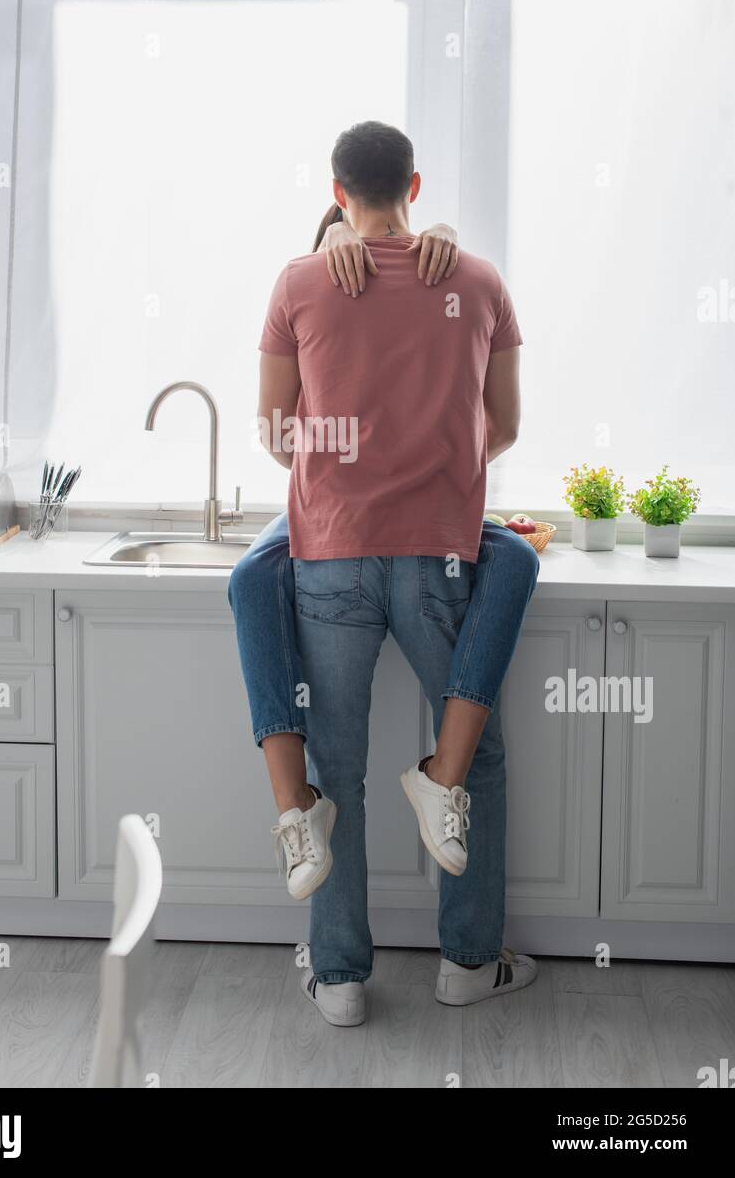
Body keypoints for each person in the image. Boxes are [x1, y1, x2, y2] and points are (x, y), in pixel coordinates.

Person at [229, 120, 539, 1024]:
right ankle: (467, 967)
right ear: (414, 183)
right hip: (442, 555)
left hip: (331, 552)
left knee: (338, 769)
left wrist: (346, 471)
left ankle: (339, 979)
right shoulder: (478, 281)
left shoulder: (298, 282)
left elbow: (279, 434)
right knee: (469, 758)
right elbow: (504, 428)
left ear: (335, 191)